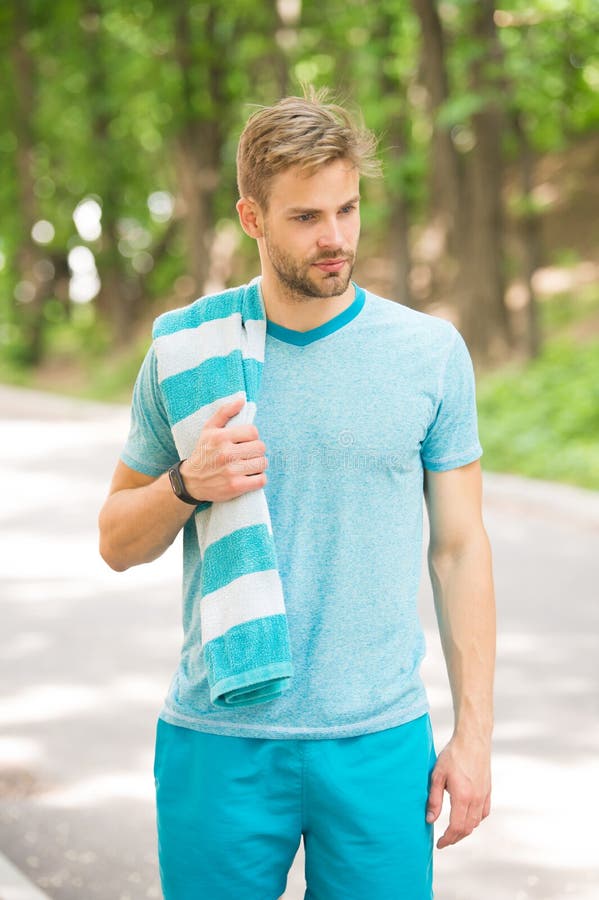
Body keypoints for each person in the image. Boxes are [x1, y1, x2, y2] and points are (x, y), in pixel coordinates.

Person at [99, 89, 496, 900]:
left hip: (379, 743)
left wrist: (474, 738)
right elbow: (115, 540)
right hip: (221, 738)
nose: (336, 239)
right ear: (251, 218)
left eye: (347, 210)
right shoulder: (186, 350)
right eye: (306, 218)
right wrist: (185, 485)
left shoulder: (427, 353)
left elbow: (458, 551)